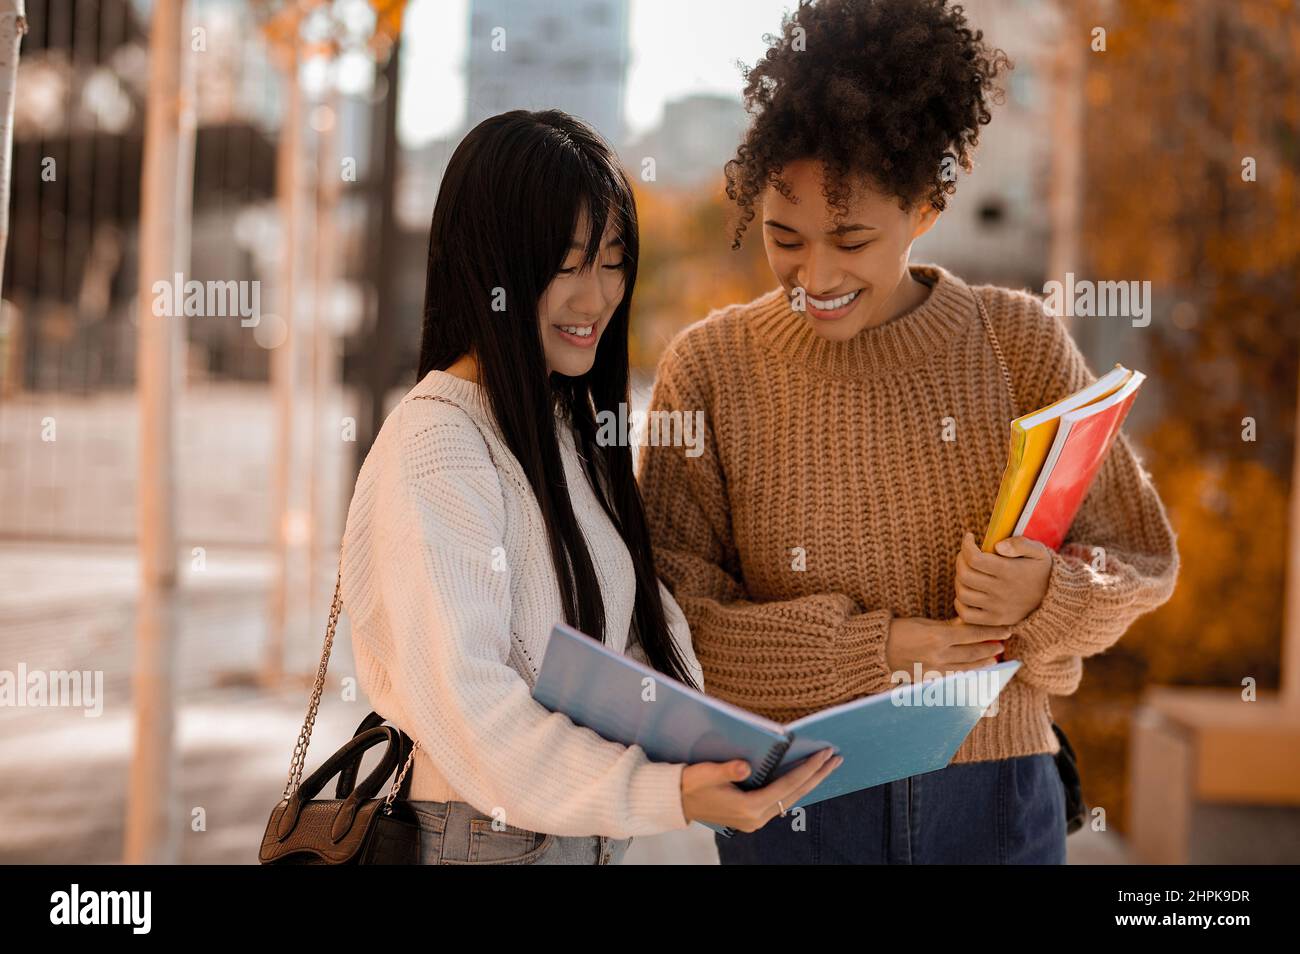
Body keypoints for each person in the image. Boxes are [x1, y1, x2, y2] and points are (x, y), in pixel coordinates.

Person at [637, 0, 1179, 864]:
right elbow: (674, 627)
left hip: (995, 798)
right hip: (796, 804)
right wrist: (884, 650)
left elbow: (1140, 559)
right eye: (784, 238)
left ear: (927, 205)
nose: (814, 275)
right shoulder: (707, 372)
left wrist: (1049, 593)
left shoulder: (1018, 343)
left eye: (850, 238)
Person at [338, 109, 842, 865]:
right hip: (477, 843)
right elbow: (472, 709)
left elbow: (641, 635)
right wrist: (665, 793)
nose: (596, 296)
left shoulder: (566, 429)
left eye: (612, 261)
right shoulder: (440, 441)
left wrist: (724, 756)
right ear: (492, 267)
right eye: (566, 264)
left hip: (573, 843)